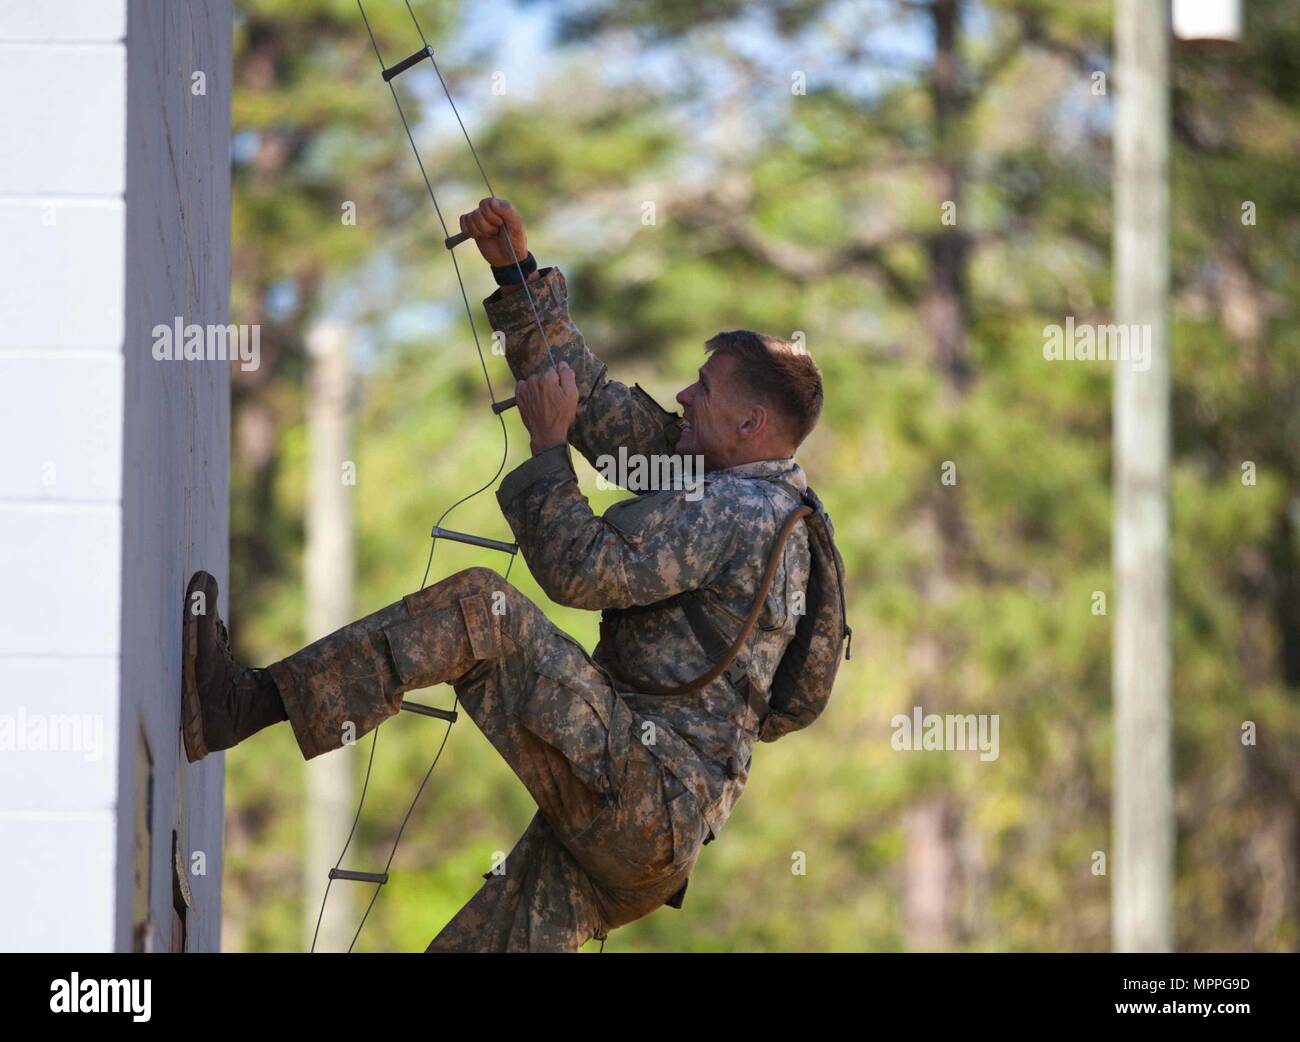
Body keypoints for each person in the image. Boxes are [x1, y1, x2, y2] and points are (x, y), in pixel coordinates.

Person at [182, 198, 825, 951]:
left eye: (703, 389)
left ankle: (240, 706)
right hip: (647, 827)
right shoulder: (721, 475)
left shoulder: (742, 512)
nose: (683, 396)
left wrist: (548, 448)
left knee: (484, 616)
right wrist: (516, 272)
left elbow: (580, 571)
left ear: (751, 425)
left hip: (646, 796)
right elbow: (591, 404)